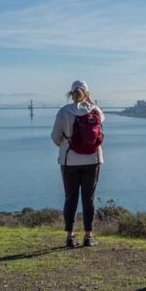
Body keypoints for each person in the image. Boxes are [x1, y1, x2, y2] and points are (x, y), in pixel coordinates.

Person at [51, 80, 105, 248]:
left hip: (69, 162)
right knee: (88, 199)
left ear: (71, 93)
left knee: (70, 198)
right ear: (87, 93)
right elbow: (99, 129)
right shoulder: (95, 110)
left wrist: (67, 144)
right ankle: (88, 236)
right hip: (92, 160)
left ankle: (70, 237)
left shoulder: (63, 112)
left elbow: (55, 138)